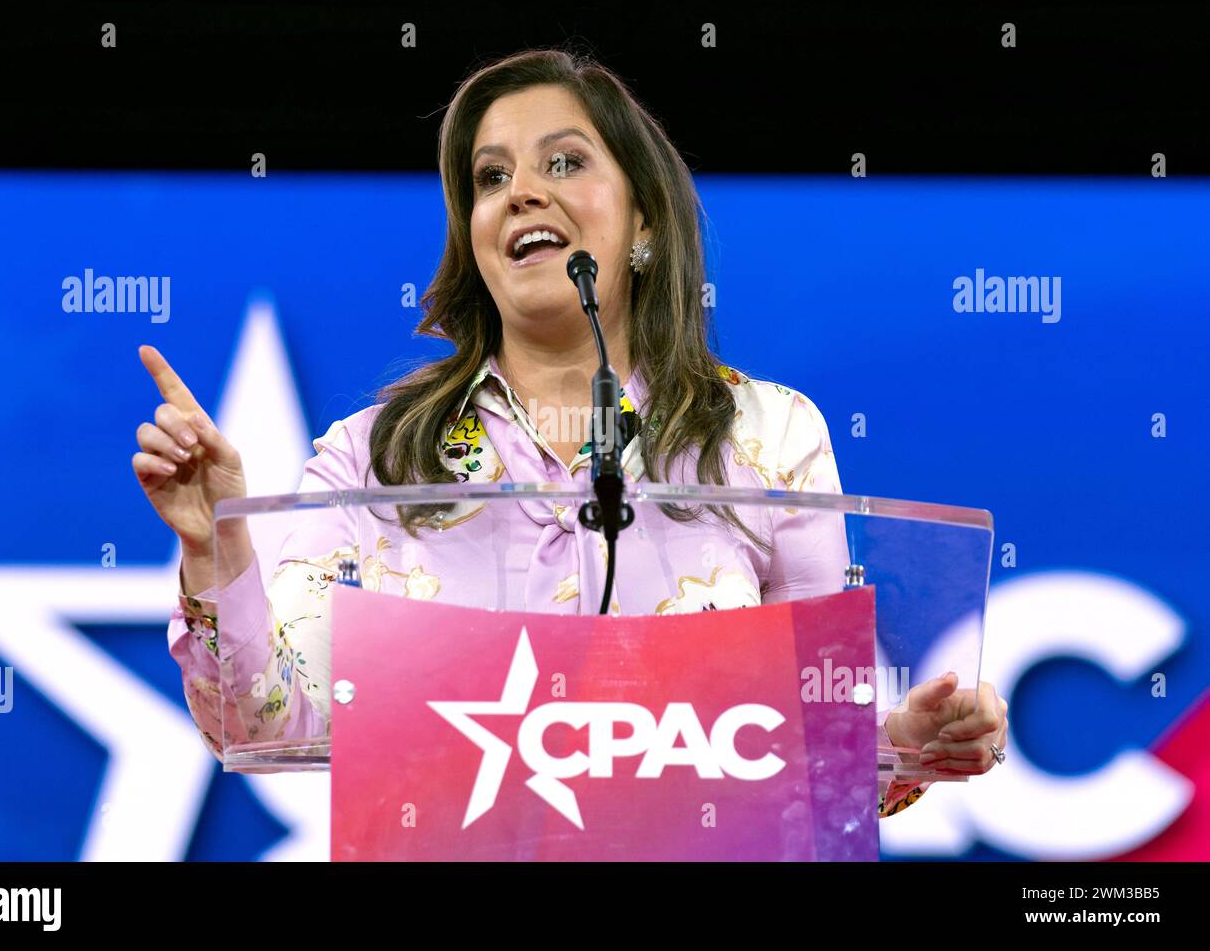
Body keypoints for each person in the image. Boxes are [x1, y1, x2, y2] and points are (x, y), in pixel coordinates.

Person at [133, 48, 1008, 820]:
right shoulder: (375, 458)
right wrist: (219, 549)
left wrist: (905, 741)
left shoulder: (768, 435)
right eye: (490, 177)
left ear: (645, 224)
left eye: (565, 161)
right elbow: (263, 724)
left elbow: (814, 757)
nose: (521, 192)